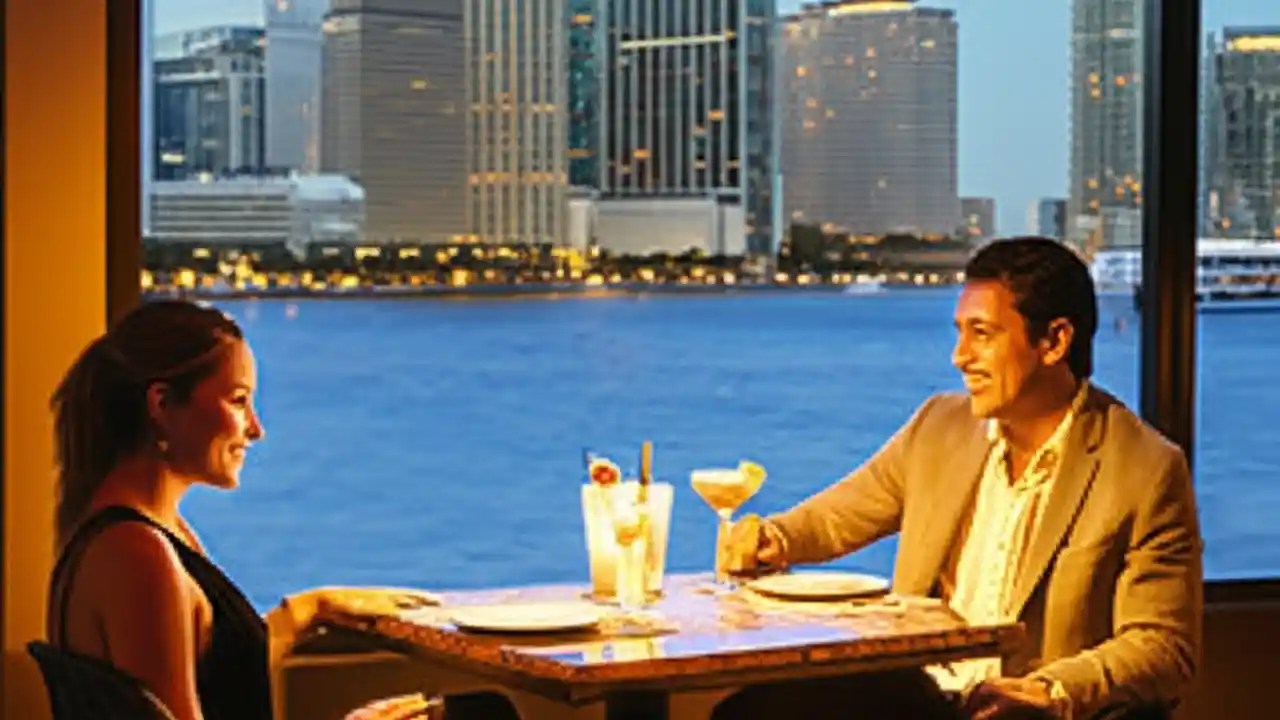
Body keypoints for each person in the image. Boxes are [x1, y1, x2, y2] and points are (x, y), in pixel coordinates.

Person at [723, 237, 1203, 720]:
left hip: (1026, 709)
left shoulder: (1145, 467)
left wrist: (1050, 691)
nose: (960, 356)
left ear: (1055, 341)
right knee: (747, 713)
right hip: (921, 696)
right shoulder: (939, 427)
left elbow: (1162, 645)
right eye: (959, 333)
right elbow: (839, 517)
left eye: (982, 334)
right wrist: (773, 538)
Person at [46, 300, 272, 720]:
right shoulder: (137, 554)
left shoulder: (156, 533)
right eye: (238, 401)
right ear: (162, 404)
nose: (255, 429)